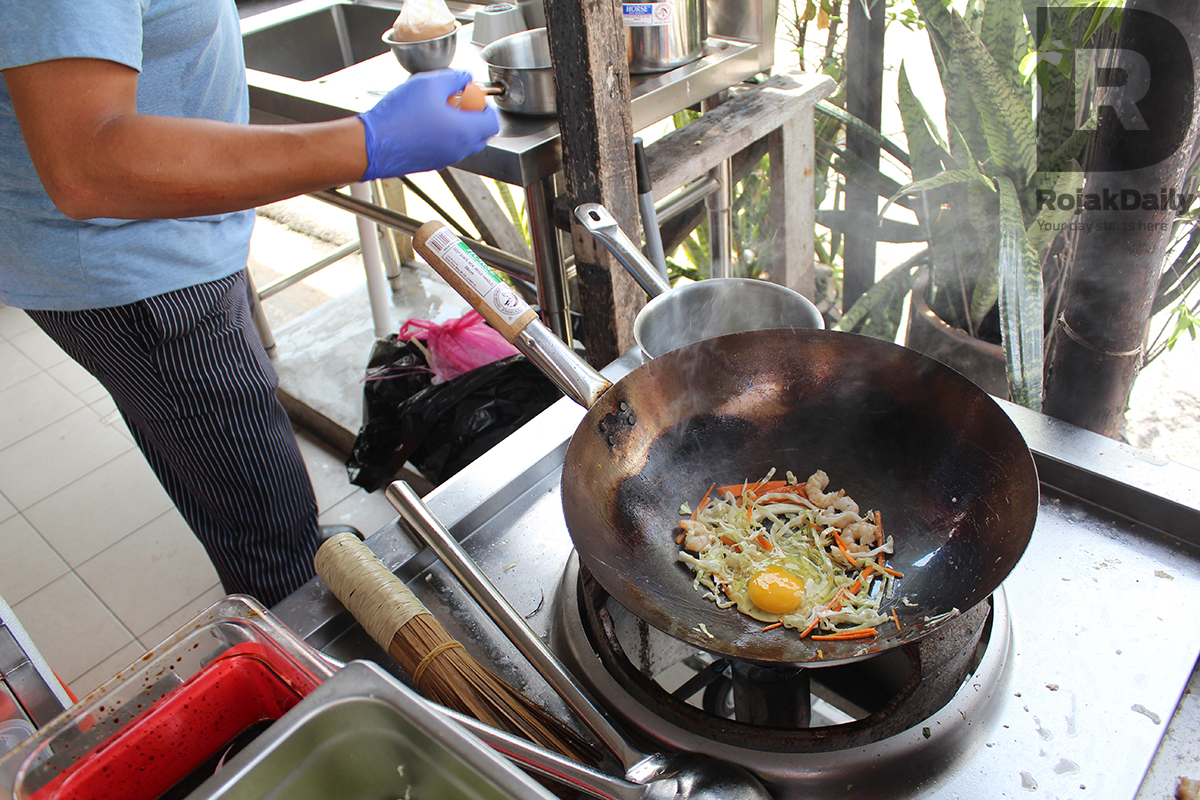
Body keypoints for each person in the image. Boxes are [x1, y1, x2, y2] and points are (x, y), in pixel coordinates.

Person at [0, 0, 500, 606]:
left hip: (161, 254)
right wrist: (367, 142)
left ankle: (290, 552)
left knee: (215, 473)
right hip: (144, 282)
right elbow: (87, 164)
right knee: (268, 536)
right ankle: (304, 635)